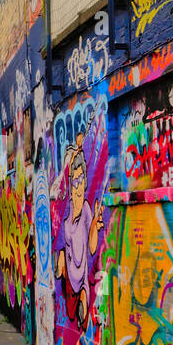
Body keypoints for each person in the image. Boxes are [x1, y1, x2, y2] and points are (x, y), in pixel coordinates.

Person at [54, 137, 103, 328]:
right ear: (70, 182)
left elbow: (92, 248)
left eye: (82, 180)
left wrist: (93, 228)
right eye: (75, 181)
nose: (79, 187)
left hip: (81, 282)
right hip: (68, 282)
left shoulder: (86, 211)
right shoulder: (65, 219)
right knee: (61, 261)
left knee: (83, 306)